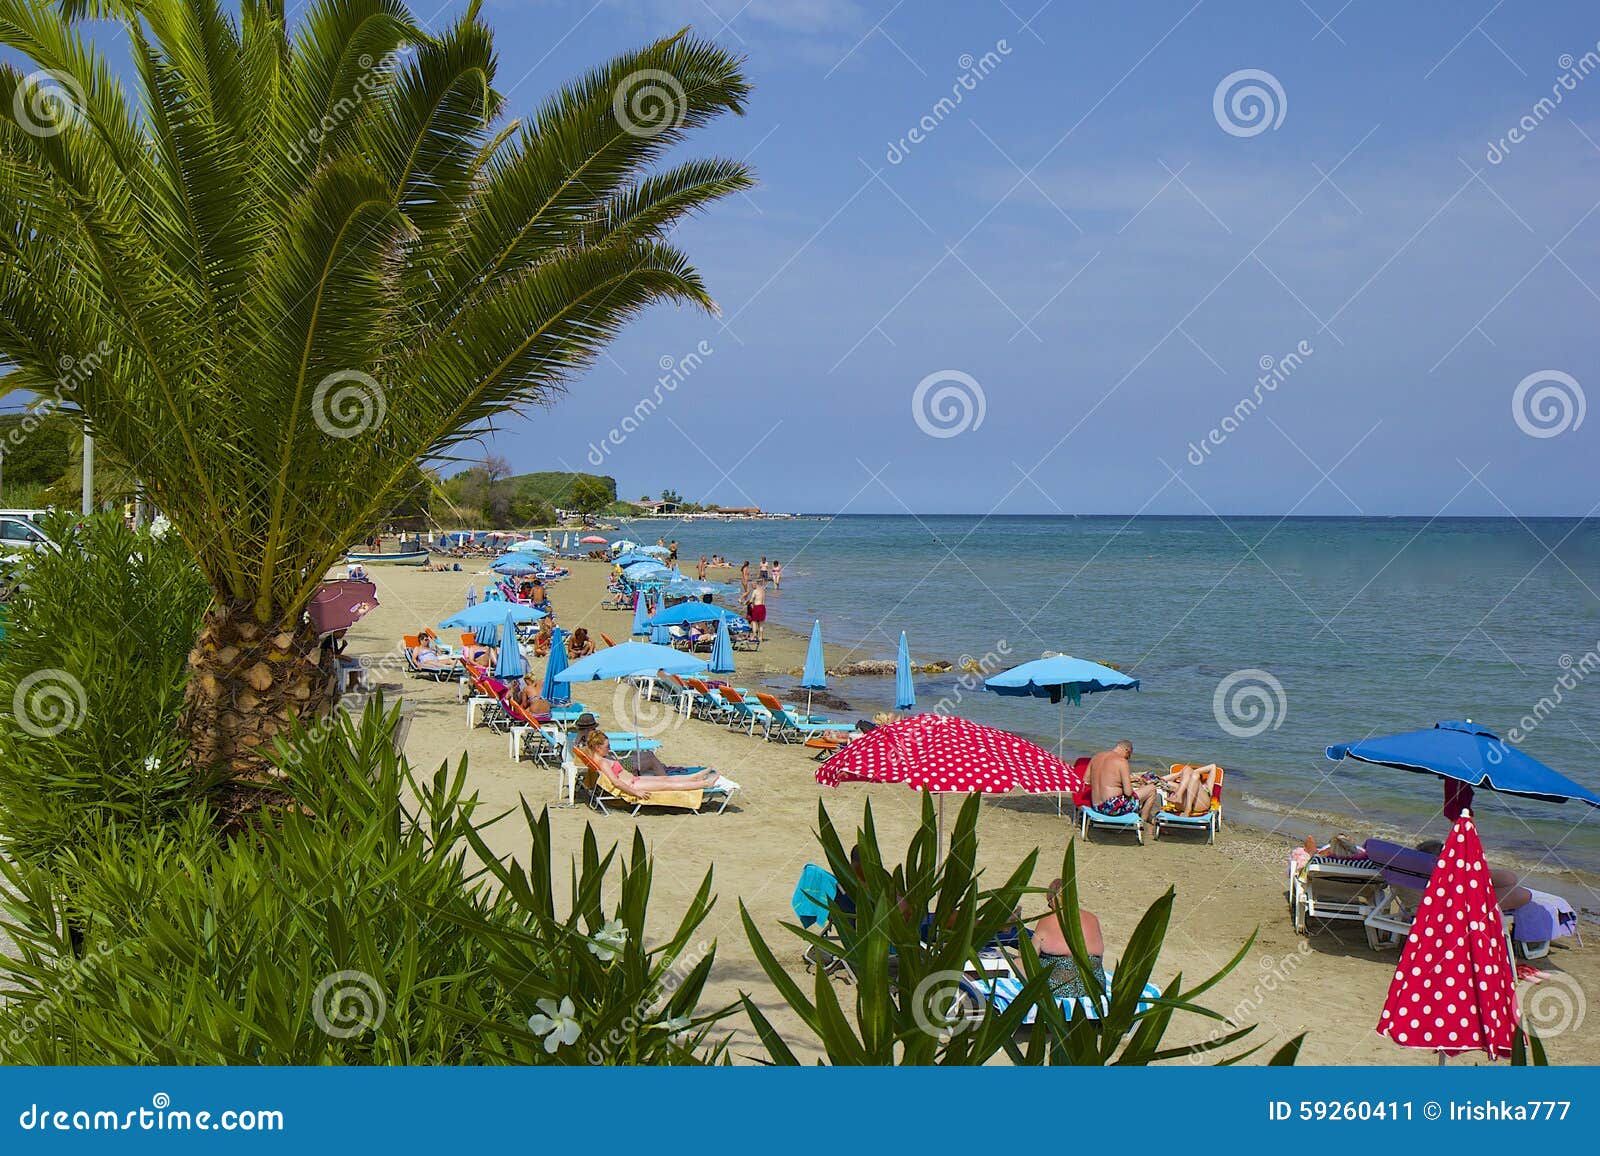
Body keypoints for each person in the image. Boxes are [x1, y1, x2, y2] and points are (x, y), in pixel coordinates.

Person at [1028, 879, 1109, 1002]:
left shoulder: (1047, 921)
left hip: (1058, 988)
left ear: (1052, 900)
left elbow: (1030, 956)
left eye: (1049, 904)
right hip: (1093, 988)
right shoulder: (1092, 918)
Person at [581, 731, 737, 795]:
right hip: (634, 785)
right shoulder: (601, 762)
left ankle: (696, 776)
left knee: (666, 779)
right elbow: (615, 782)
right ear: (596, 747)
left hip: (636, 779)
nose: (610, 749)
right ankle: (705, 784)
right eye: (607, 747)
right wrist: (635, 792)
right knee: (670, 785)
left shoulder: (597, 756)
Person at [1087, 739, 1158, 825]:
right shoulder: (1121, 761)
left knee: (1141, 791)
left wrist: (1116, 784)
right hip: (1112, 808)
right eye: (1129, 755)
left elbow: (1086, 780)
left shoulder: (1096, 757)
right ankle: (1143, 821)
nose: (1128, 758)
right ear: (1127, 750)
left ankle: (1145, 815)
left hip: (1096, 806)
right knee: (1152, 789)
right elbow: (1128, 793)